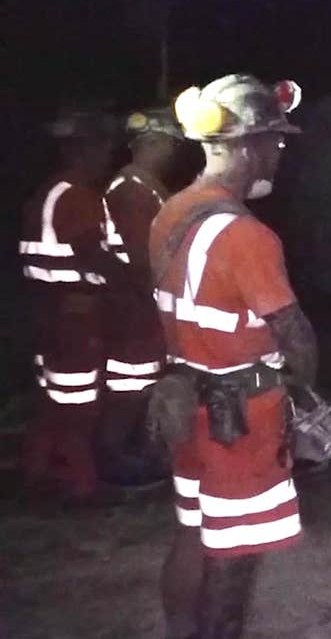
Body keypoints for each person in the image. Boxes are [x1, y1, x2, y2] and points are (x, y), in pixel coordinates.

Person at [150, 74, 316, 639]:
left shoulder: (170, 213)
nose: (279, 153)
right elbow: (297, 340)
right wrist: (304, 399)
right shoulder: (248, 237)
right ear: (248, 145)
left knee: (194, 534)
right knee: (235, 560)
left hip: (185, 404)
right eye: (276, 140)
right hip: (240, 422)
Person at [19, 110, 119, 502]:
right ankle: (82, 485)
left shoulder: (46, 192)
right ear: (86, 149)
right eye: (104, 148)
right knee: (79, 405)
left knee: (52, 400)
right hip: (75, 316)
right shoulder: (77, 196)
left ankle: (37, 473)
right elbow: (94, 257)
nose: (107, 158)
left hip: (47, 312)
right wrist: (138, 284)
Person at [96, 108, 184, 485]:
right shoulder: (132, 189)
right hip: (134, 311)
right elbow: (140, 258)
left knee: (143, 385)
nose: (175, 152)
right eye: (170, 143)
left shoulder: (144, 185)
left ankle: (132, 455)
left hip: (143, 309)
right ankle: (114, 461)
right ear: (153, 143)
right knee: (130, 387)